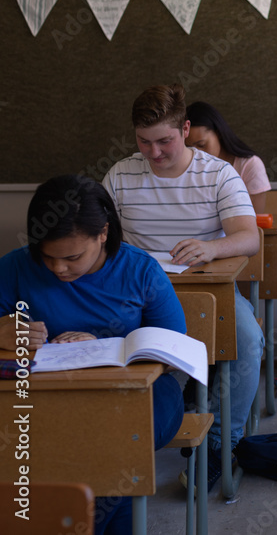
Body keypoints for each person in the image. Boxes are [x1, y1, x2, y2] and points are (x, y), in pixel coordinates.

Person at [0, 175, 185, 535]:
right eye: (47, 256)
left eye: (72, 257)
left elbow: (172, 347)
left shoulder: (140, 270)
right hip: (44, 391)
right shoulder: (15, 267)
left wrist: (102, 347)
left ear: (103, 233)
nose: (58, 268)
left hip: (142, 393)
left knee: (110, 443)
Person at [102, 83, 263, 492]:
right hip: (139, 294)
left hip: (207, 288)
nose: (154, 153)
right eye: (143, 142)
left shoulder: (218, 173)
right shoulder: (120, 176)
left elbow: (248, 238)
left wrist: (210, 247)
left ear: (186, 129)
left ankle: (220, 445)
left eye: (164, 141)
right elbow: (100, 239)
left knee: (247, 339)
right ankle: (112, 442)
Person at [186, 100, 272, 213]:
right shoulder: (186, 166)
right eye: (188, 148)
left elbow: (255, 219)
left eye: (201, 145)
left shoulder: (250, 165)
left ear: (219, 134)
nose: (197, 154)